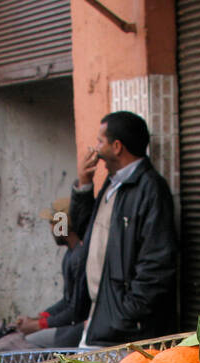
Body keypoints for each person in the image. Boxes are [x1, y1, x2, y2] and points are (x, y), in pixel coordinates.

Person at [61, 111, 177, 348]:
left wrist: (123, 317)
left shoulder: (150, 189)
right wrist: (84, 183)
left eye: (100, 141)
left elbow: (157, 265)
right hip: (100, 319)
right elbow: (85, 231)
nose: (95, 148)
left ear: (116, 146)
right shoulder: (114, 184)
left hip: (123, 330)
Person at [14, 197, 86, 349]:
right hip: (67, 326)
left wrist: (38, 325)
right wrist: (39, 317)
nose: (51, 228)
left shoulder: (79, 256)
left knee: (26, 344)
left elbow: (76, 310)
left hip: (77, 329)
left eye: (53, 223)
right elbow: (67, 301)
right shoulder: (70, 254)